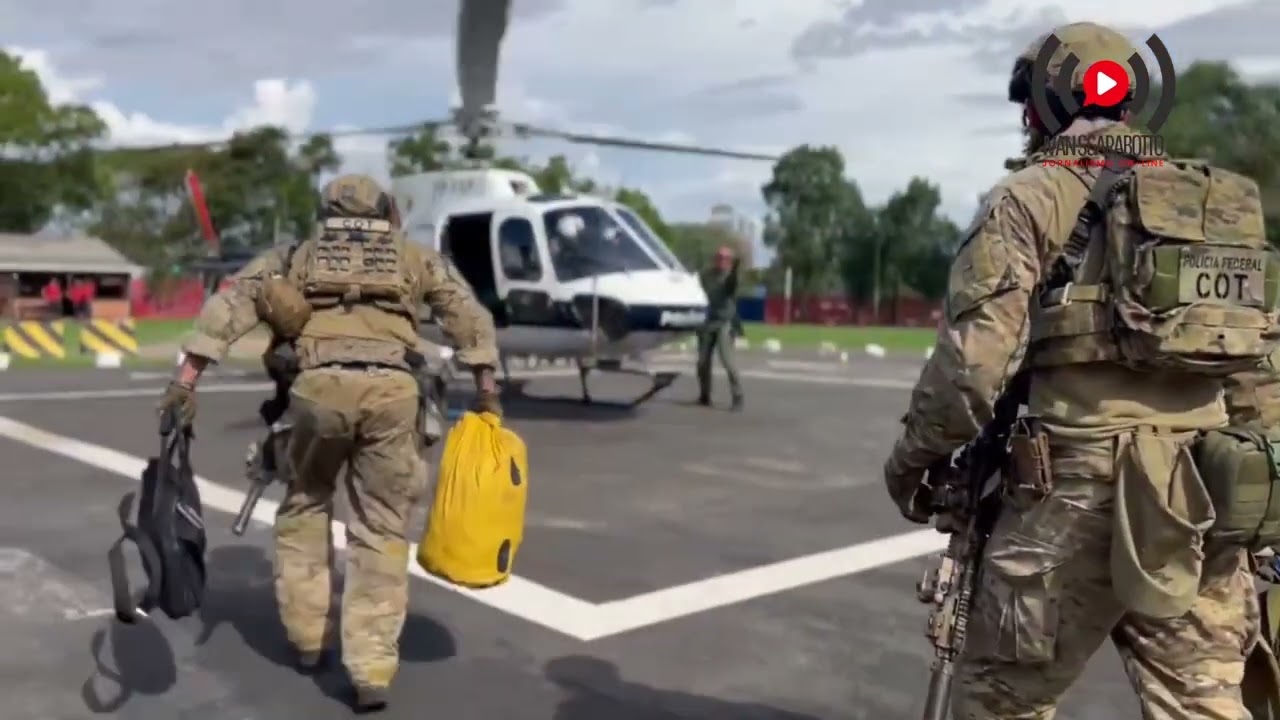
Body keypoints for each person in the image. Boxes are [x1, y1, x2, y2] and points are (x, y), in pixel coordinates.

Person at [883, 22, 1277, 719]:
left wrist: (913, 462)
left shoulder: (1029, 197)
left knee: (1003, 703)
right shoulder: (1214, 211)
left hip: (1067, 499)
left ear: (1046, 105)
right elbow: (1260, 373)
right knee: (1207, 707)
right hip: (1202, 498)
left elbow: (974, 368)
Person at [159, 174, 500, 712]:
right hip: (393, 395)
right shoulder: (415, 258)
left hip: (315, 394)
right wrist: (486, 391)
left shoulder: (295, 255)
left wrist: (186, 381)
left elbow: (228, 309)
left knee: (304, 503)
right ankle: (370, 669)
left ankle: (308, 641)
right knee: (381, 528)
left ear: (327, 211)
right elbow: (467, 317)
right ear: (386, 211)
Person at [696, 246, 742, 411]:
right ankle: (704, 394)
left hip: (724, 322)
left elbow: (731, 286)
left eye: (726, 258)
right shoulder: (706, 275)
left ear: (730, 261)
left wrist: (735, 270)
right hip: (707, 322)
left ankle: (737, 396)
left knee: (727, 361)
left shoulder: (730, 276)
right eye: (720, 257)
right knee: (702, 362)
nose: (722, 260)